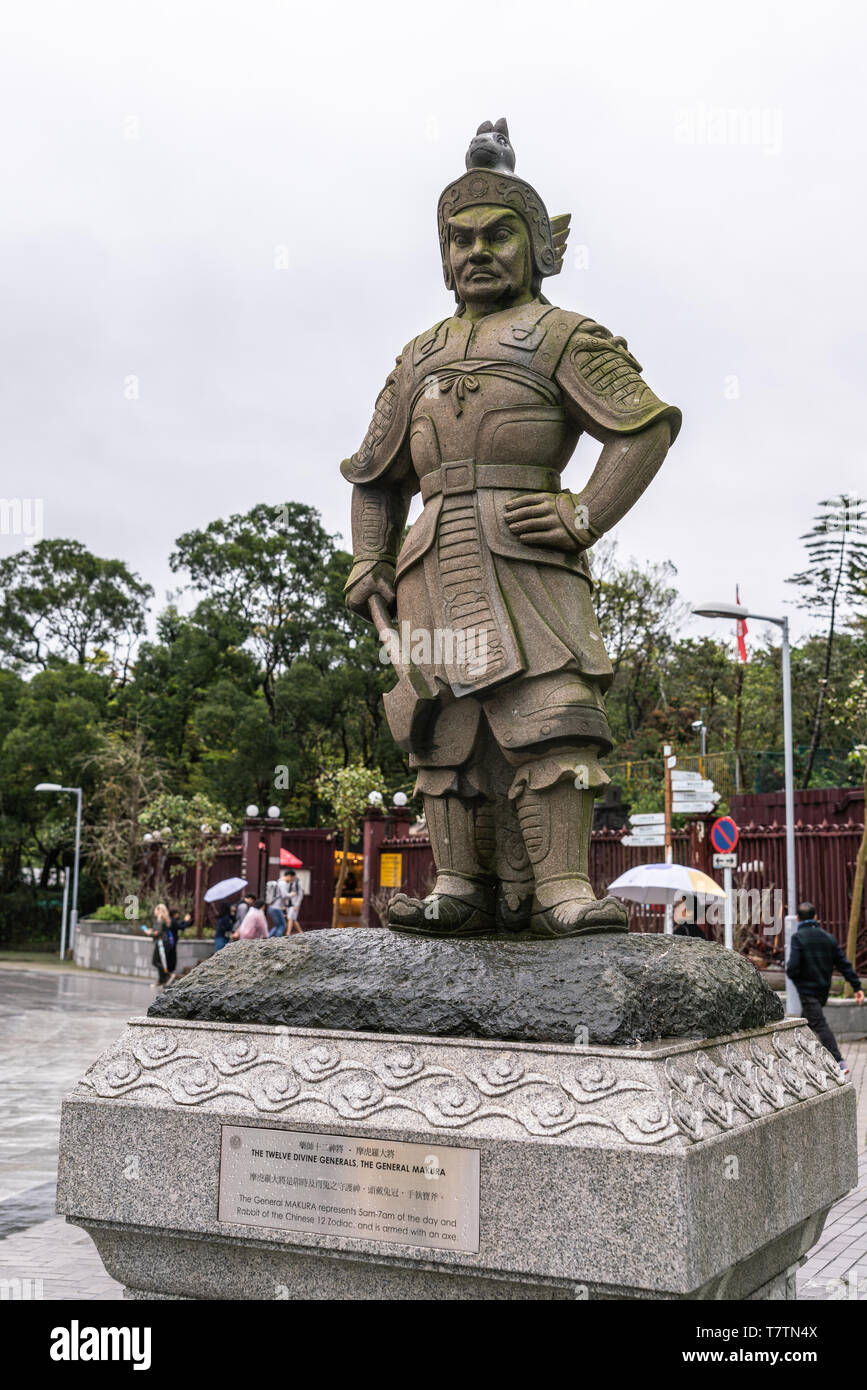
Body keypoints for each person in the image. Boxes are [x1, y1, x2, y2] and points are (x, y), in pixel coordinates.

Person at [786, 901, 864, 1077]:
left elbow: (792, 968)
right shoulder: (828, 938)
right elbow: (844, 964)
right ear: (816, 917)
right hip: (822, 991)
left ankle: (838, 1062)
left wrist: (799, 981)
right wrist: (857, 986)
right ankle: (796, 1061)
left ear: (798, 919)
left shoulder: (798, 938)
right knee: (804, 1024)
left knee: (819, 1025)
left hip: (807, 991)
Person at [148, 903, 176, 986]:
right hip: (163, 942)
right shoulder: (162, 919)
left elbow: (158, 933)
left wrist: (150, 933)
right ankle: (162, 980)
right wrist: (152, 931)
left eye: (155, 909)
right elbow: (158, 931)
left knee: (155, 961)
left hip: (160, 943)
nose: (154, 911)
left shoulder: (160, 920)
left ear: (158, 910)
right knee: (160, 962)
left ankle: (168, 975)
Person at [283, 869, 304, 935]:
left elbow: (300, 894)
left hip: (294, 904)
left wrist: (297, 905)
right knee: (293, 919)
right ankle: (301, 932)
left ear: (292, 876)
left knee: (290, 918)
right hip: (288, 903)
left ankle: (288, 933)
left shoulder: (298, 883)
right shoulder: (288, 882)